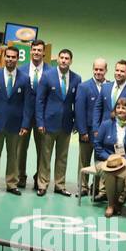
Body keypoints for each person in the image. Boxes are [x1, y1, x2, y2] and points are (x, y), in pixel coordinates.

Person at [0, 44, 32, 195]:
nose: (10, 59)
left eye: (13, 57)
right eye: (8, 56)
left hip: (15, 125)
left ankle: (11, 183)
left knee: (13, 155)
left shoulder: (25, 79)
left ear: (18, 59)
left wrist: (25, 124)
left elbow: (27, 104)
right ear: (4, 57)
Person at [34, 47, 80, 197]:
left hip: (66, 125)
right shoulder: (47, 76)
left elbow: (77, 103)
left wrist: (75, 122)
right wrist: (40, 122)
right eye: (62, 58)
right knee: (45, 156)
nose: (64, 61)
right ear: (58, 59)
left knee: (62, 157)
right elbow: (40, 101)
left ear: (71, 61)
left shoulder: (76, 79)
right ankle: (42, 184)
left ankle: (60, 185)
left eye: (67, 58)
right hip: (48, 124)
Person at [93, 96, 126, 217]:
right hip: (105, 161)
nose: (120, 110)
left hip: (125, 163)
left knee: (122, 174)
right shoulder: (106, 124)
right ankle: (111, 204)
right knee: (109, 174)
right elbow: (97, 145)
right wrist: (109, 157)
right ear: (114, 110)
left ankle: (115, 202)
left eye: (123, 108)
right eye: (118, 107)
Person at [74, 57, 107, 196]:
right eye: (96, 69)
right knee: (84, 160)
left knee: (100, 162)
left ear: (106, 70)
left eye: (101, 69)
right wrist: (82, 131)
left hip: (103, 134)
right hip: (87, 132)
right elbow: (79, 110)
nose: (98, 72)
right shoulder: (84, 87)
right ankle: (83, 186)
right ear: (93, 69)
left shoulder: (110, 87)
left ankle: (98, 188)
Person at [17, 38, 47, 189]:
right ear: (30, 51)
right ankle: (19, 177)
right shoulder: (20, 70)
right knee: (20, 149)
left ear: (44, 53)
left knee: (42, 151)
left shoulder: (51, 71)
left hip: (43, 119)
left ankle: (39, 179)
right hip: (24, 118)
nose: (36, 53)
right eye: (34, 50)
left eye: (39, 50)